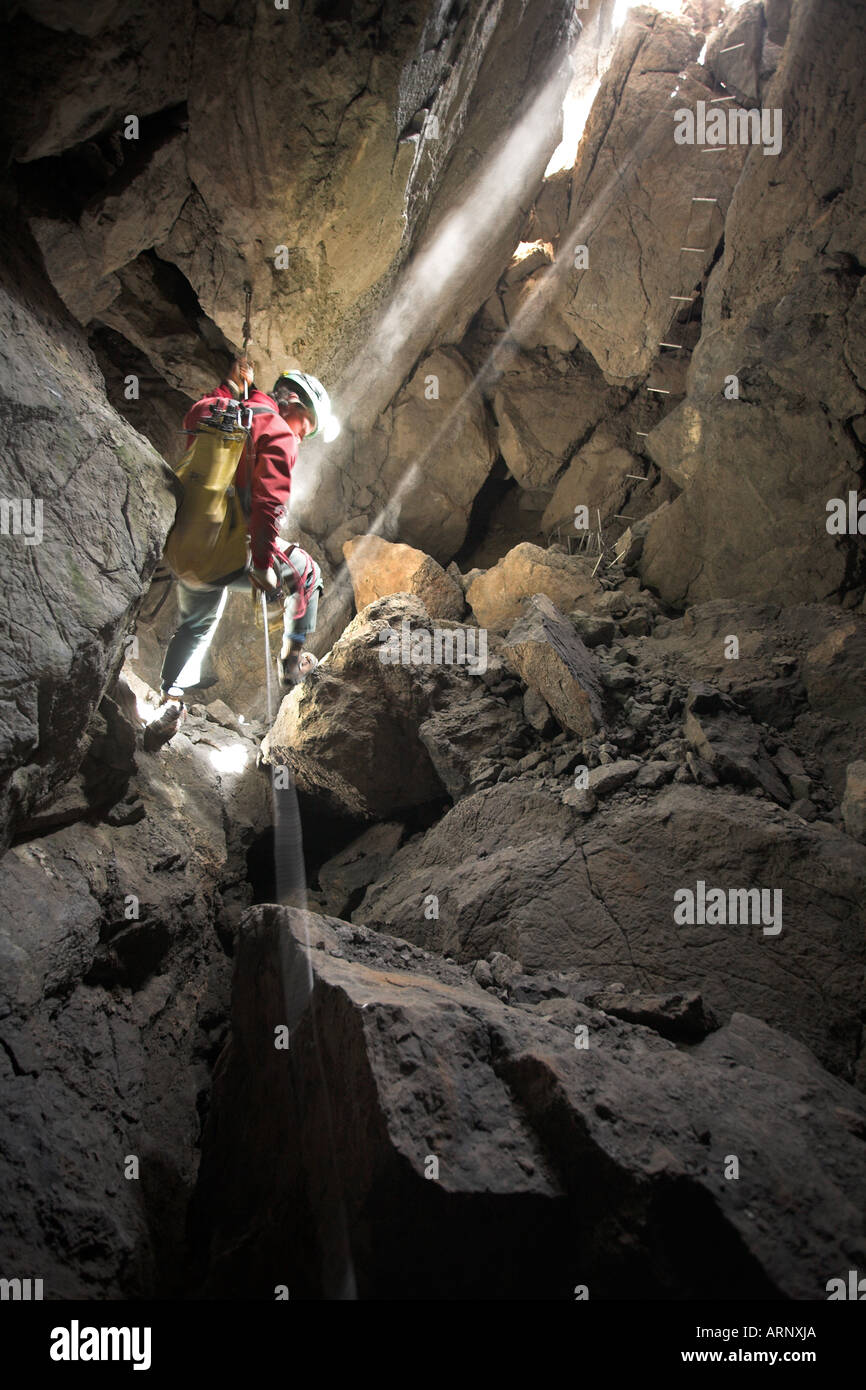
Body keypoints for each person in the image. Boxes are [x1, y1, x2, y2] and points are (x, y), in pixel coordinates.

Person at [143, 358, 329, 752]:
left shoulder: (230, 410)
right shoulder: (279, 433)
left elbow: (195, 419)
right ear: (294, 405)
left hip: (183, 545)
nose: (300, 437)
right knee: (305, 572)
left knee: (197, 627)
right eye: (305, 427)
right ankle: (292, 660)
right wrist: (262, 566)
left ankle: (171, 702)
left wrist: (227, 386)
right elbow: (269, 505)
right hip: (224, 553)